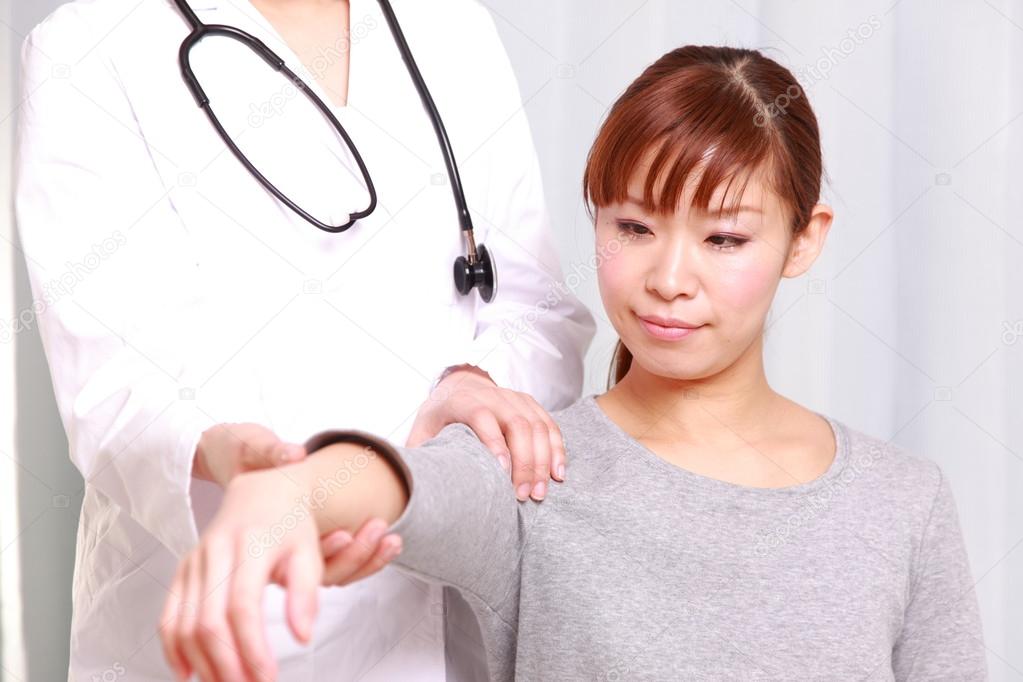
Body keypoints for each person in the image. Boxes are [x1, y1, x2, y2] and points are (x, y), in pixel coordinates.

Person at [160, 44, 988, 681]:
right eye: (632, 227)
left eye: (723, 239)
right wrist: (287, 490)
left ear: (803, 239)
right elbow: (390, 484)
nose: (668, 279)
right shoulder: (533, 471)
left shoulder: (902, 504)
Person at [13, 0, 596, 679]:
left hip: (439, 585)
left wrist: (474, 380)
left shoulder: (449, 21)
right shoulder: (90, 43)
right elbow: (111, 383)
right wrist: (228, 449)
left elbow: (538, 311)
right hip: (231, 611)